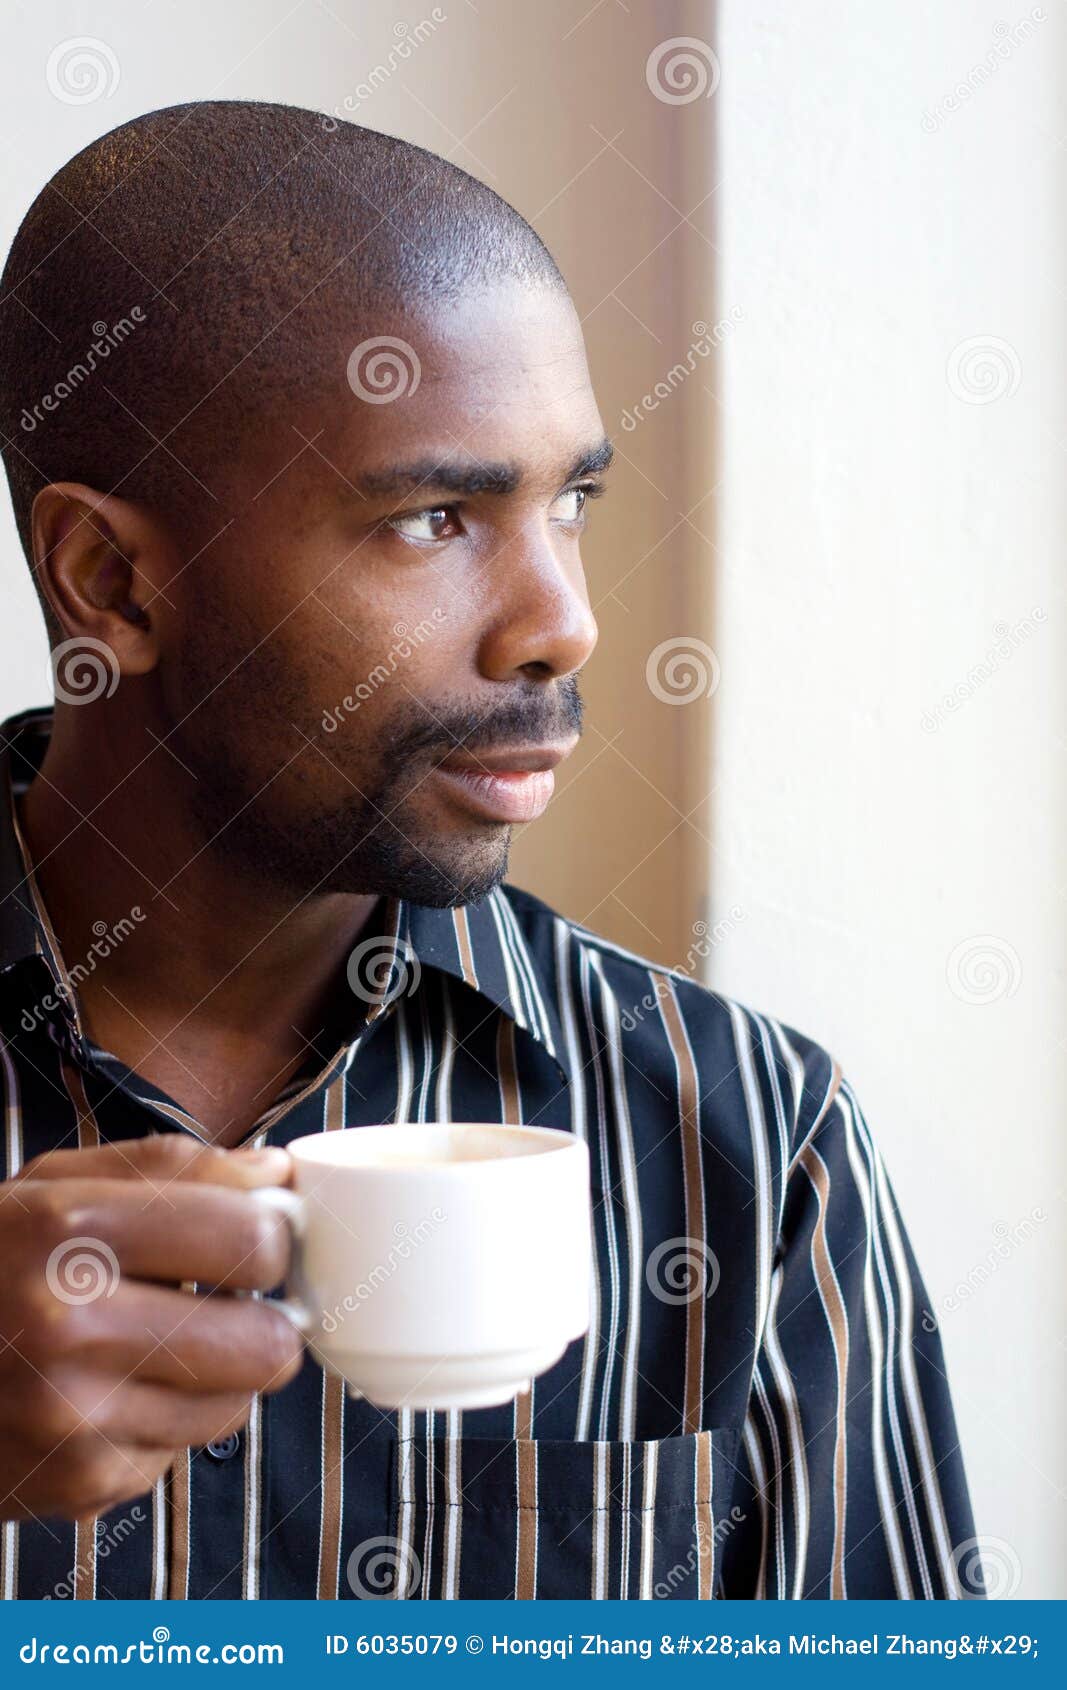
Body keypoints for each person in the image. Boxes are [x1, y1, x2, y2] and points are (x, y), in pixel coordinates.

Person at [0, 101, 977, 1601]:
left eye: (571, 503)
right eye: (435, 518)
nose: (564, 625)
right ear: (112, 581)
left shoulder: (752, 1143)